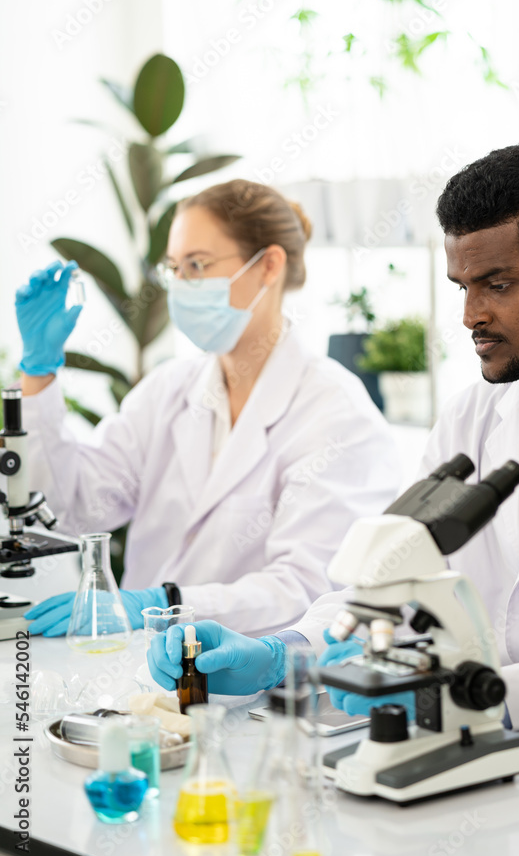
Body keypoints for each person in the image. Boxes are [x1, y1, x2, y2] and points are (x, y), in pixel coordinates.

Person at [148, 145, 519, 745]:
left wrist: (477, 697)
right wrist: (283, 650)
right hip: (491, 761)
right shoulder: (474, 413)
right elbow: (392, 581)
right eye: (462, 287)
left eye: (498, 285)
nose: (471, 314)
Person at [20, 180, 401, 638]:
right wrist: (39, 372)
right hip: (139, 671)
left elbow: (309, 588)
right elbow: (74, 509)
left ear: (268, 267)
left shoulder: (337, 415)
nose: (180, 286)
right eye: (174, 268)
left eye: (197, 265)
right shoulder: (166, 392)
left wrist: (170, 603)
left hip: (253, 688)